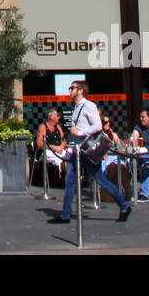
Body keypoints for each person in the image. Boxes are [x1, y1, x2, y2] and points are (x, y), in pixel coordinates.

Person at [49, 81, 131, 224]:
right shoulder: (77, 107)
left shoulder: (89, 106)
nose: (70, 90)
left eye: (72, 88)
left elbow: (98, 126)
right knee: (70, 179)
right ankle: (66, 214)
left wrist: (80, 132)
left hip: (87, 150)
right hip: (79, 150)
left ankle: (124, 205)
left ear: (80, 90)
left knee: (100, 179)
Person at [36, 108, 68, 182]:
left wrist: (61, 147)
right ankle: (64, 176)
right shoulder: (43, 127)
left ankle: (73, 176)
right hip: (47, 151)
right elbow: (40, 144)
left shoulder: (58, 127)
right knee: (55, 157)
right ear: (51, 117)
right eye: (57, 115)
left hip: (59, 150)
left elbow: (64, 140)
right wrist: (52, 147)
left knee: (69, 156)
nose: (59, 117)